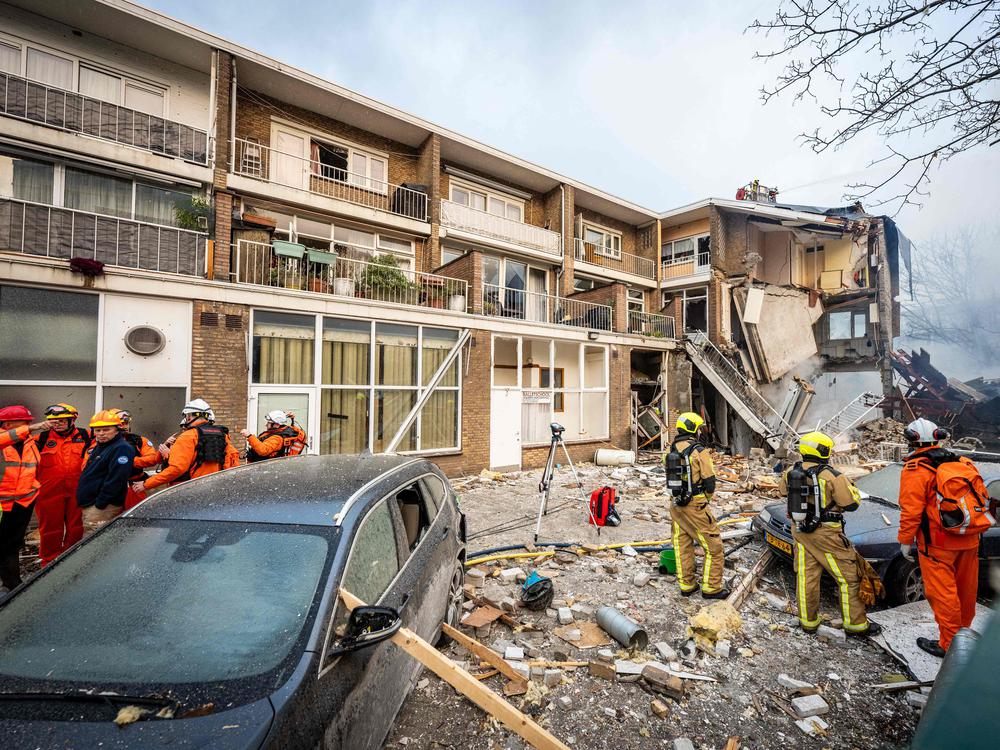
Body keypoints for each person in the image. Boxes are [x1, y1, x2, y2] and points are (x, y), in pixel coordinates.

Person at [898, 418, 993, 658]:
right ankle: (964, 634)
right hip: (970, 538)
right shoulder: (963, 462)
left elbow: (911, 510)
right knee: (965, 591)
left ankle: (950, 644)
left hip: (938, 544)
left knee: (942, 594)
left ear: (912, 440)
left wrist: (905, 540)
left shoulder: (916, 469)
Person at [779, 431, 881, 637]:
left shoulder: (790, 471)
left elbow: (783, 492)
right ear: (823, 451)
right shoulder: (832, 476)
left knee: (807, 576)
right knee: (849, 578)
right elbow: (851, 504)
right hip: (827, 534)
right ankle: (856, 625)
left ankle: (807, 622)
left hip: (800, 531)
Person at [664, 412, 729, 598]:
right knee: (714, 548)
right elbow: (710, 482)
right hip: (695, 504)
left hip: (675, 504)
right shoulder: (699, 451)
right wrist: (704, 500)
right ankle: (711, 588)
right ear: (693, 429)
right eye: (699, 428)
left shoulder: (671, 449)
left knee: (682, 544)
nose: (701, 431)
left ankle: (687, 585)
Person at [132, 399, 238, 495]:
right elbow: (232, 462)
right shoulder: (222, 435)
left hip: (190, 490)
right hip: (215, 488)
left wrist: (146, 484)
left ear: (189, 416)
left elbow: (177, 469)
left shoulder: (188, 436)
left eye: (186, 417)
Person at [0, 406, 53, 591]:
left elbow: (31, 469)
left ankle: (12, 584)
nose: (30, 426)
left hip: (22, 503)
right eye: (25, 423)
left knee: (12, 544)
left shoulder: (29, 442)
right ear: (7, 424)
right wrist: (30, 429)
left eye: (30, 423)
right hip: (2, 504)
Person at [33, 403, 88, 566]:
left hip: (77, 491)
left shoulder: (87, 436)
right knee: (50, 529)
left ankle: (71, 561)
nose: (57, 424)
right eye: (53, 421)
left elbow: (109, 438)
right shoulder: (40, 439)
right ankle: (49, 563)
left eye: (62, 420)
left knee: (76, 528)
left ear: (72, 420)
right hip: (49, 493)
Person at [77, 410, 136, 530]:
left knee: (96, 543)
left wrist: (101, 503)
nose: (101, 433)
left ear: (117, 429)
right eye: (98, 430)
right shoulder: (102, 445)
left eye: (106, 429)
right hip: (92, 503)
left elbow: (117, 478)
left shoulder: (121, 448)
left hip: (103, 507)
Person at [110, 409, 160, 510]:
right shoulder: (103, 441)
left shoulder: (139, 440)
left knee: (134, 516)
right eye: (122, 423)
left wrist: (131, 462)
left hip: (135, 486)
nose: (125, 426)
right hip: (111, 485)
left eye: (127, 423)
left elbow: (152, 459)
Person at [240, 410, 307, 462]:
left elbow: (263, 450)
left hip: (263, 468)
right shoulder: (277, 431)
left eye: (268, 423)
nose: (266, 425)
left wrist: (249, 436)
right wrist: (286, 415)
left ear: (276, 424)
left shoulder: (277, 438)